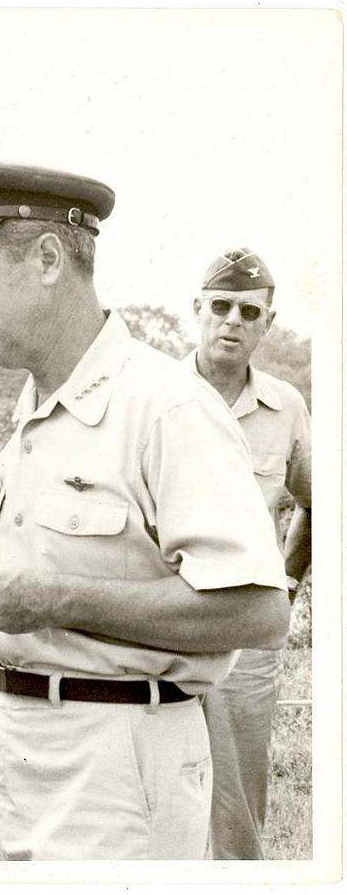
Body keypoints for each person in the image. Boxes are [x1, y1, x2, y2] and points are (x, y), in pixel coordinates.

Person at [0, 157, 290, 860]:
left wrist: (50, 599)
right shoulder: (40, 405)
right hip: (31, 749)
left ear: (49, 258)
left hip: (120, 758)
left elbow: (259, 612)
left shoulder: (162, 405)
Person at [186, 248, 311, 859]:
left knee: (238, 808)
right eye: (220, 306)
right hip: (162, 624)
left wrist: (286, 580)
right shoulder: (157, 394)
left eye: (248, 311)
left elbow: (318, 501)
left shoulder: (287, 408)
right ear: (197, 310)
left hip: (245, 635)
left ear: (267, 324)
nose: (231, 320)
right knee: (157, 792)